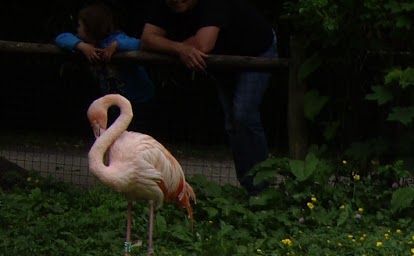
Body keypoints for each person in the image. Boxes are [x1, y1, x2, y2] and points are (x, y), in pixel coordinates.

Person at [139, 0, 276, 192]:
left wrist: (172, 45)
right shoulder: (164, 5)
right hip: (223, 60)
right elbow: (147, 39)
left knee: (244, 115)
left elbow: (204, 44)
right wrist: (181, 49)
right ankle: (250, 187)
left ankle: (262, 188)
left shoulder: (214, 4)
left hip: (255, 53)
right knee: (232, 122)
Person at [56, 3, 155, 106]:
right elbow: (61, 38)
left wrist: (117, 45)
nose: (78, 29)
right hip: (112, 101)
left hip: (138, 99)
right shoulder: (85, 44)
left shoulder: (117, 39)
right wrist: (81, 46)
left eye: (80, 25)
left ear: (90, 28)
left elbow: (139, 43)